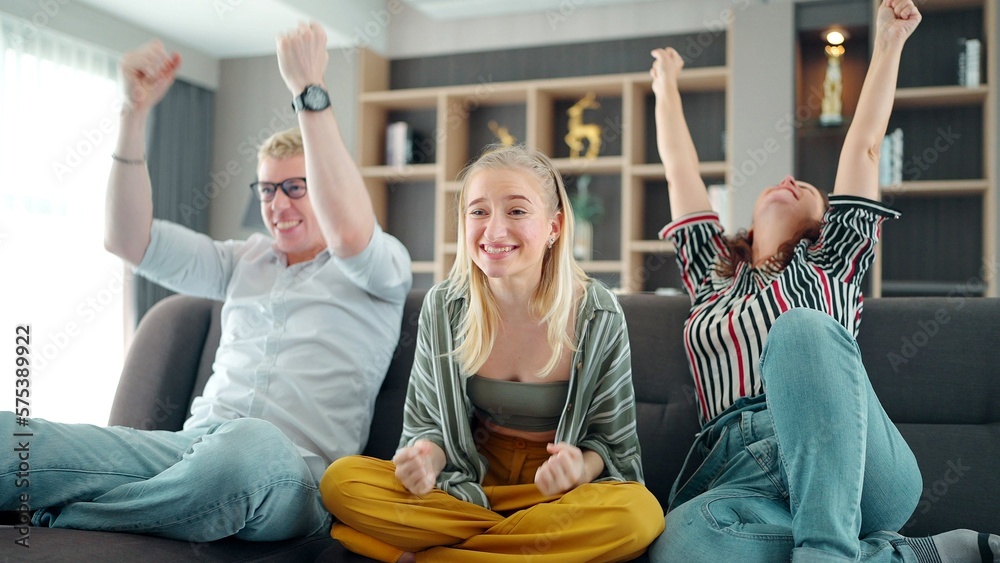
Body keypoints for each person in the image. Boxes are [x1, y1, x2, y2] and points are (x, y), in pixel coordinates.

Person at [0, 22, 411, 542]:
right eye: (265, 190)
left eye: (294, 187)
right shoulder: (242, 260)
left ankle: (69, 519)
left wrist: (308, 88)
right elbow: (129, 241)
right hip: (187, 452)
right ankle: (138, 504)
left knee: (249, 448)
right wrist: (134, 113)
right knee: (11, 439)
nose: (277, 204)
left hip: (290, 477)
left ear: (327, 186)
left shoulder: (379, 267)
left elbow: (349, 229)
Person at [646, 1, 999, 562]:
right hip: (736, 474)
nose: (787, 179)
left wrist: (889, 41)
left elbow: (864, 147)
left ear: (824, 220)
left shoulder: (833, 260)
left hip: (857, 466)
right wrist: (665, 86)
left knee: (801, 330)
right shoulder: (711, 277)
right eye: (780, 181)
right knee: (680, 545)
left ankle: (826, 553)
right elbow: (679, 171)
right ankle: (914, 555)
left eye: (806, 187)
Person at [320, 144, 663, 562]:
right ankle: (513, 550)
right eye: (478, 212)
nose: (494, 230)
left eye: (517, 211)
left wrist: (580, 467)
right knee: (341, 483)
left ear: (554, 226)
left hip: (557, 499)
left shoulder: (598, 312)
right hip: (467, 490)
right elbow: (427, 426)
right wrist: (427, 458)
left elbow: (612, 444)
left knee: (638, 515)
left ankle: (429, 556)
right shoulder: (445, 306)